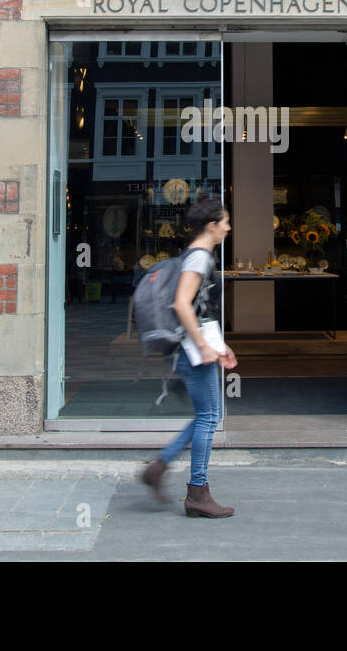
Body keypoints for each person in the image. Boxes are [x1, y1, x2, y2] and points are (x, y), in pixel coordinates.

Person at [141, 196, 238, 517]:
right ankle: (197, 493)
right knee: (209, 416)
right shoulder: (199, 258)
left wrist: (219, 344)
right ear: (211, 226)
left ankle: (159, 467)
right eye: (224, 222)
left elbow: (202, 310)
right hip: (192, 350)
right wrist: (205, 346)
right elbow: (182, 304)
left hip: (195, 347)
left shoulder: (197, 256)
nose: (228, 227)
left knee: (205, 415)